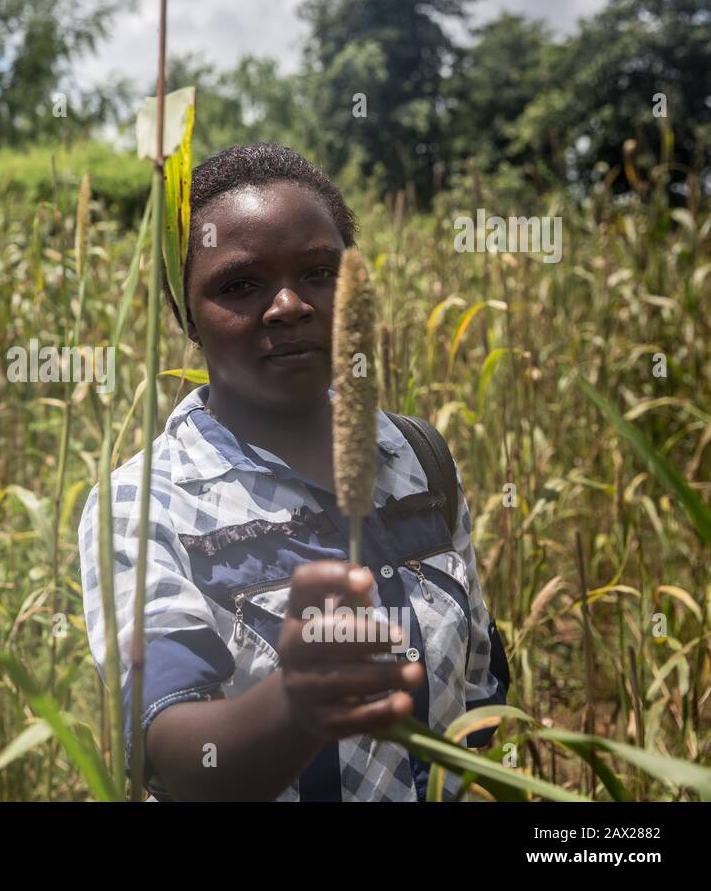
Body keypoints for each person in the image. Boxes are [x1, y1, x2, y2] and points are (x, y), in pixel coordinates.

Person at [78, 143, 508, 801]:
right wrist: (293, 706)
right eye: (239, 285)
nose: (288, 305)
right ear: (187, 315)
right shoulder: (141, 507)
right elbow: (168, 751)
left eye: (318, 273)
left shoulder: (420, 457)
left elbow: (479, 692)